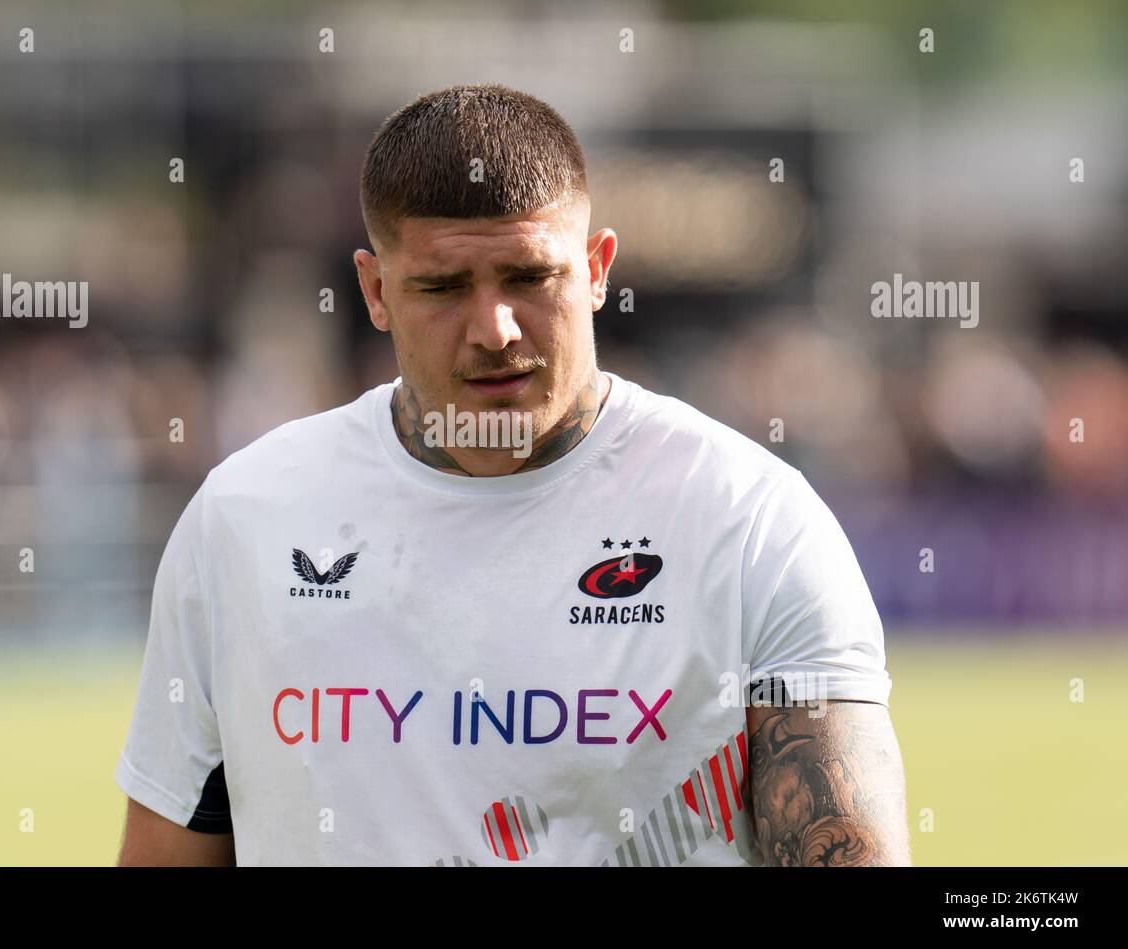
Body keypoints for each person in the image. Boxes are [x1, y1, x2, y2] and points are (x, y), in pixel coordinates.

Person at [115, 83, 910, 866]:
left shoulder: (751, 522)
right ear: (375, 290)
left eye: (530, 278)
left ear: (597, 271)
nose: (494, 330)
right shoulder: (248, 517)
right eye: (442, 287)